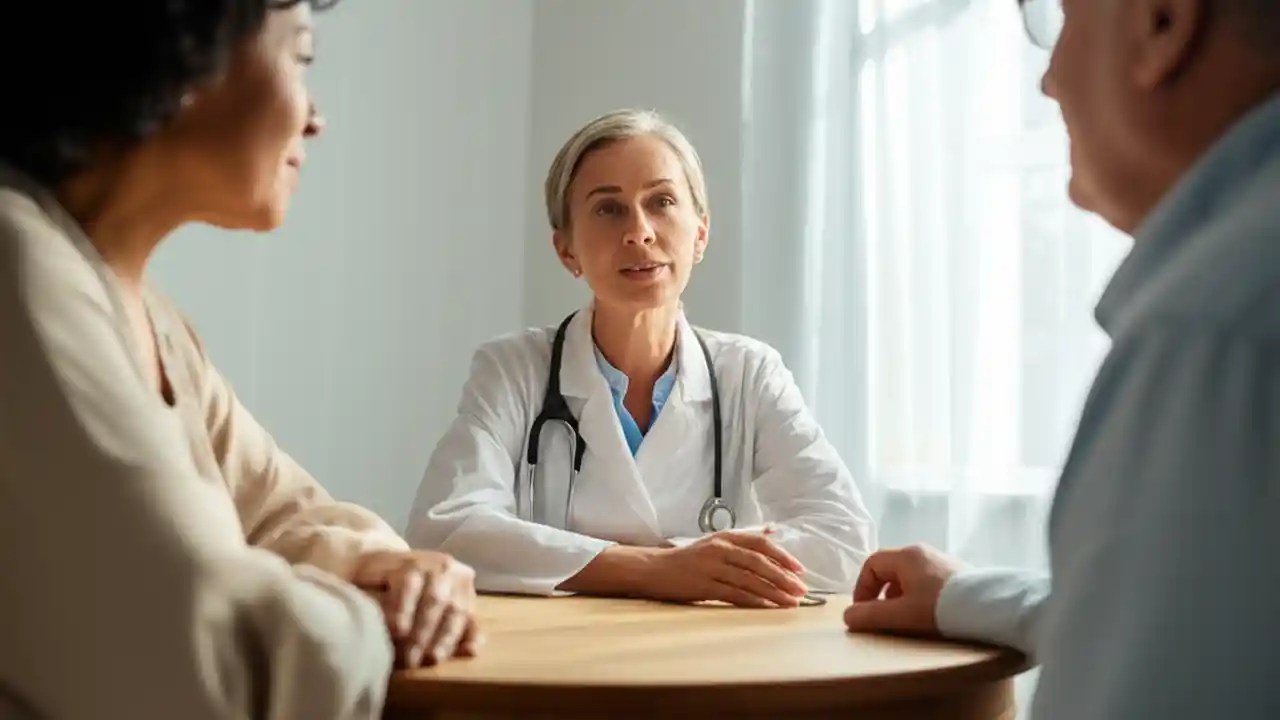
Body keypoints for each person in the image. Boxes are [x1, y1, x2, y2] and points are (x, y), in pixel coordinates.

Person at [0, 2, 478, 717]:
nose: (315, 117)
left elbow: (281, 512)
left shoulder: (151, 320)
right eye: (301, 57)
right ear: (183, 58)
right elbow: (204, 660)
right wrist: (373, 618)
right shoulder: (18, 268)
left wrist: (395, 572)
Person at [843, 0, 1280, 717]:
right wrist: (968, 596)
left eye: (1063, 16)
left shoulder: (1214, 329)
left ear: (1163, 23)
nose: (1047, 78)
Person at [406, 109, 874, 608]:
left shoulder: (749, 374)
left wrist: (683, 563)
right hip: (557, 659)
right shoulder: (514, 369)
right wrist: (659, 570)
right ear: (566, 250)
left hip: (709, 660)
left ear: (699, 234)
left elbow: (844, 539)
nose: (640, 231)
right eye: (609, 209)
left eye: (663, 202)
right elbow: (444, 530)